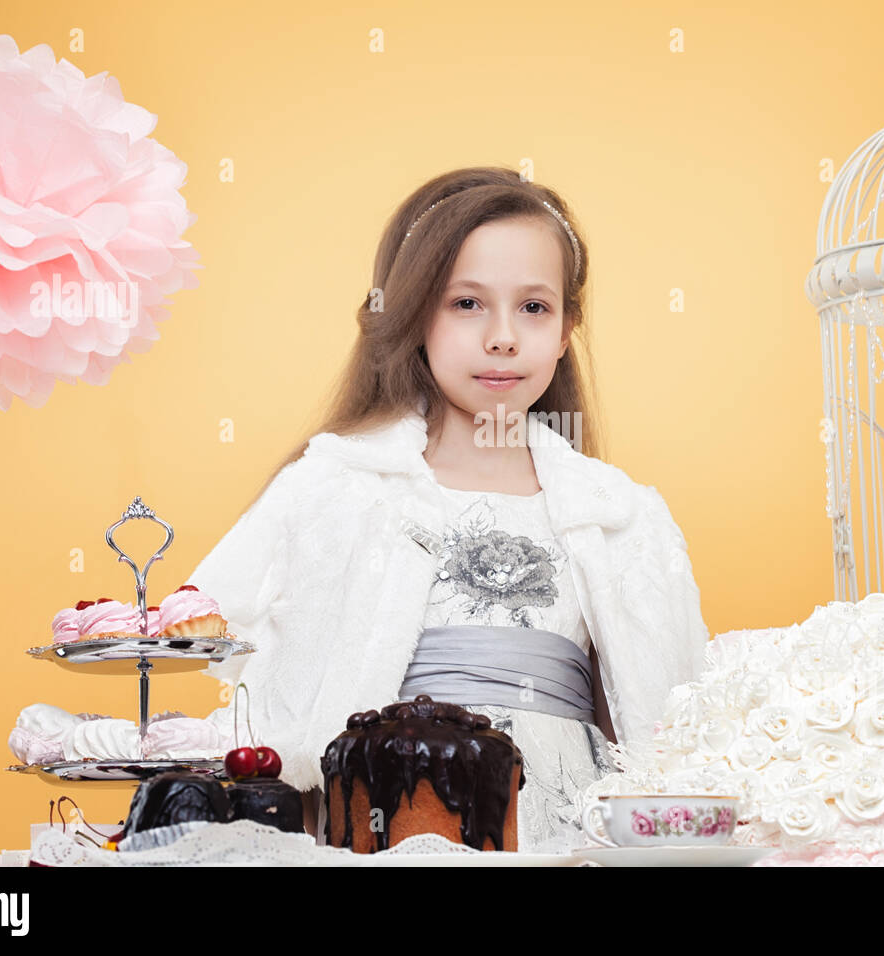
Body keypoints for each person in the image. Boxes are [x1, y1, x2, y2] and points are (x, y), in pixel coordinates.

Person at [188, 167, 709, 852]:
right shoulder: (334, 486)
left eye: (534, 307)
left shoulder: (622, 516)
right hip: (382, 827)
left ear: (566, 328)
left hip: (564, 835)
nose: (502, 337)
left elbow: (664, 719)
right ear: (412, 313)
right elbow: (221, 643)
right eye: (466, 303)